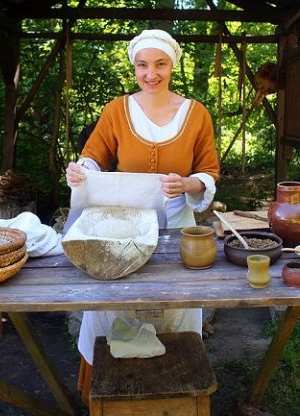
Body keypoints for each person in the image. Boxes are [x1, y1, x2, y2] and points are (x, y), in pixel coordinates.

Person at [65, 29, 220, 403]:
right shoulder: (117, 109)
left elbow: (209, 173)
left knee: (177, 307)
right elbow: (94, 155)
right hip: (122, 229)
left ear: (172, 66)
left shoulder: (196, 113)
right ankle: (110, 389)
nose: (151, 74)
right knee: (111, 303)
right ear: (134, 67)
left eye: (160, 64)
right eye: (143, 65)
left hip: (176, 233)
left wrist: (187, 184)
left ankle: (176, 387)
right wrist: (81, 170)